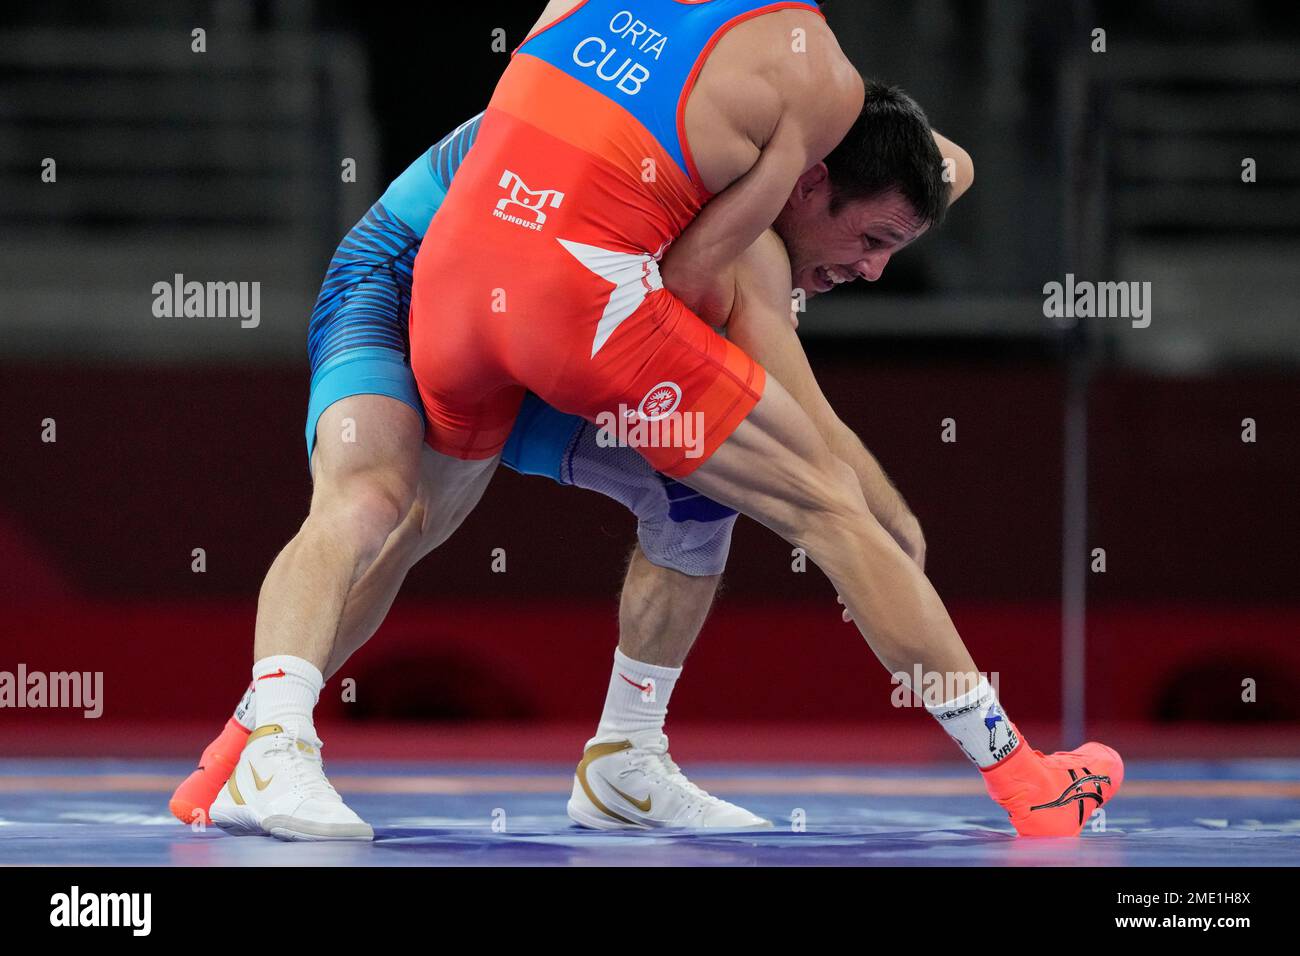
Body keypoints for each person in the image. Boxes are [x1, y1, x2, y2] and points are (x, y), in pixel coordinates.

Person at [217, 0, 1122, 840]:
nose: (873, 271)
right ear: (810, 184)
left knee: (627, 499)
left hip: (462, 285)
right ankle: (1026, 783)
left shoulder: (604, 12)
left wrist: (909, 169)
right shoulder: (807, 113)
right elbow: (698, 282)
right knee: (824, 512)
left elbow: (939, 165)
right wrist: (874, 502)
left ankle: (608, 760)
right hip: (423, 272)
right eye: (873, 244)